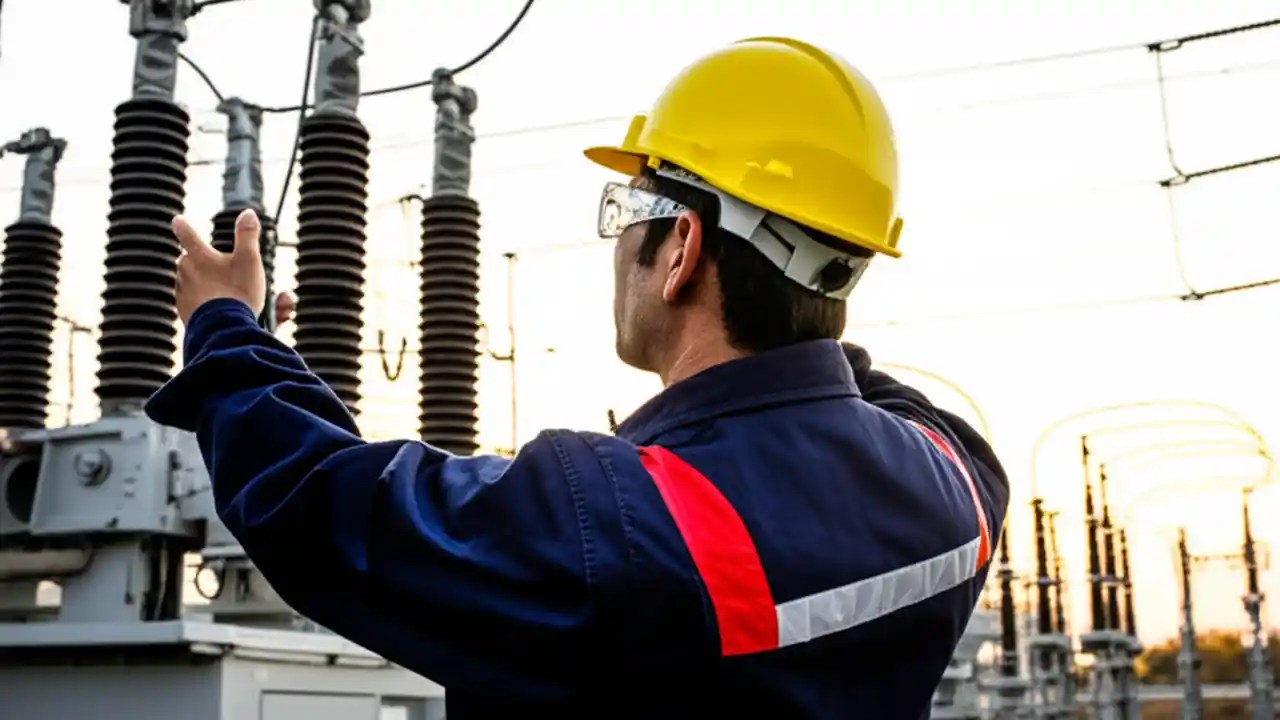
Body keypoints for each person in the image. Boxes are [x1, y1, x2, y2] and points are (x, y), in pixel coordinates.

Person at [146, 36, 1009, 718]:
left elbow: (317, 503)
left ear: (681, 252)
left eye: (630, 208)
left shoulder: (621, 528)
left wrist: (224, 325)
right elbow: (854, 385)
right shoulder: (957, 485)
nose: (619, 242)